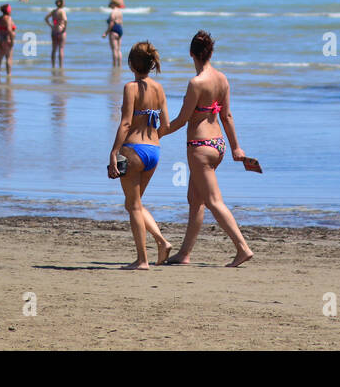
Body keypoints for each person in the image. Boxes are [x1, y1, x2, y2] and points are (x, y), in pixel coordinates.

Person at [162, 30, 254, 268]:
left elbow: (182, 120)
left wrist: (157, 133)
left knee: (213, 201)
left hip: (199, 147)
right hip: (218, 145)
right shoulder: (222, 79)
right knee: (195, 199)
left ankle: (242, 248)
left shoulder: (196, 83)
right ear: (211, 52)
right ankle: (184, 254)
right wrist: (236, 148)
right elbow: (227, 116)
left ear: (191, 53)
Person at [106, 41, 173, 269]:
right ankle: (162, 242)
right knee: (134, 203)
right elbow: (165, 124)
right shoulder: (159, 88)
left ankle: (142, 259)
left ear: (131, 64)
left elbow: (125, 123)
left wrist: (114, 152)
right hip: (154, 151)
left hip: (133, 150)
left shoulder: (130, 88)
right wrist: (153, 141)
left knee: (133, 206)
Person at [44, 0, 68, 67]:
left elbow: (46, 18)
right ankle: (61, 66)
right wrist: (64, 28)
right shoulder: (62, 11)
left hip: (54, 30)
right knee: (61, 48)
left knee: (54, 49)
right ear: (61, 3)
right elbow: (65, 20)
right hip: (60, 30)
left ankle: (53, 65)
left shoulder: (54, 11)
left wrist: (51, 26)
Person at [0, 4, 16, 75]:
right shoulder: (8, 18)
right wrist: (12, 39)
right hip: (7, 39)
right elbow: (9, 29)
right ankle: (8, 74)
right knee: (8, 57)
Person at [102, 0, 124, 66]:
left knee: (114, 49)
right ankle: (119, 65)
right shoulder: (120, 12)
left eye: (110, 4)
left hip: (114, 30)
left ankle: (114, 65)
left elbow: (111, 24)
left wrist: (106, 33)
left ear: (113, 4)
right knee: (119, 49)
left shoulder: (113, 12)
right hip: (120, 29)